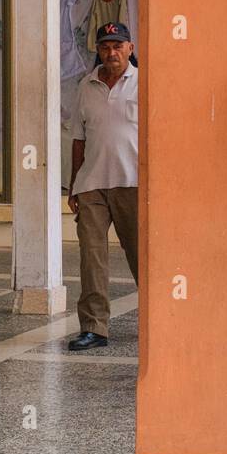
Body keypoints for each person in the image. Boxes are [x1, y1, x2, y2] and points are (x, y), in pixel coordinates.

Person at [67, 22, 139, 351]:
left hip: (132, 183)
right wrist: (74, 185)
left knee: (141, 256)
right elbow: (78, 140)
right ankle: (94, 328)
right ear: (98, 50)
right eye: (105, 46)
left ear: (130, 48)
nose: (112, 52)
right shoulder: (86, 86)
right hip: (92, 183)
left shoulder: (143, 84)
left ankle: (157, 322)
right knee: (91, 256)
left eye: (118, 45)